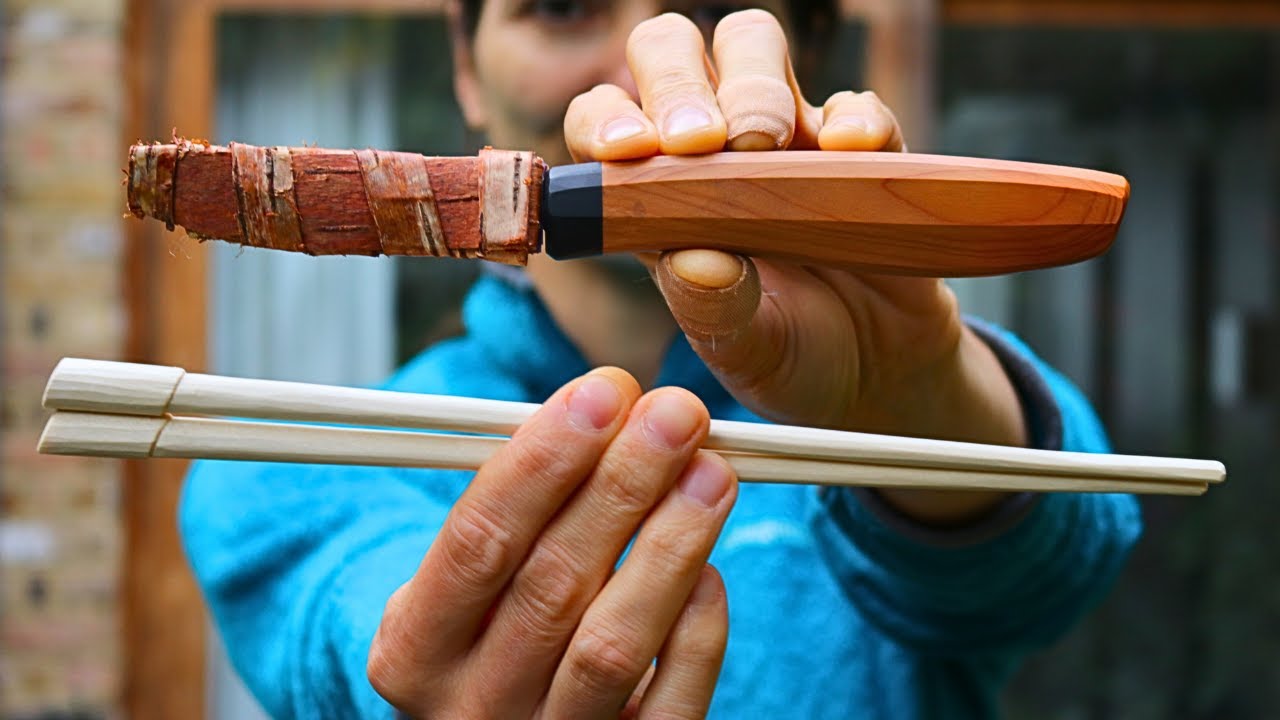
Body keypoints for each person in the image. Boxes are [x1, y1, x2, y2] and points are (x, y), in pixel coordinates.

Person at [180, 1, 1141, 718]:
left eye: (714, 9)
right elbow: (354, 644)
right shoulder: (286, 457)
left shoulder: (887, 417)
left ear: (799, 56)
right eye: (562, 7)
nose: (639, 81)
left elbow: (1058, 559)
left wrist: (919, 390)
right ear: (465, 68)